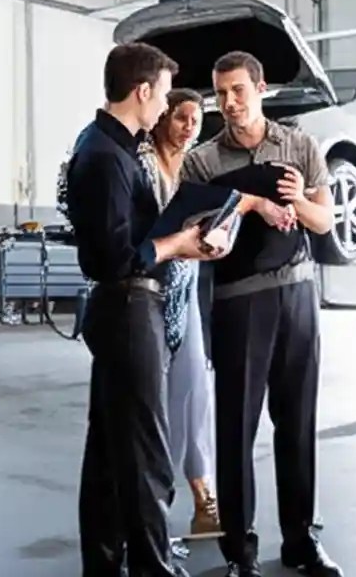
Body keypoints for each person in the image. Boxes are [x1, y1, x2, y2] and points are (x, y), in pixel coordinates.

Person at [65, 43, 232, 577]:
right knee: (146, 452)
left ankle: (107, 564)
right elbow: (114, 257)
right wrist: (175, 246)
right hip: (129, 305)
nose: (165, 108)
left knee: (112, 453)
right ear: (142, 92)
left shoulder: (115, 149)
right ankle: (153, 568)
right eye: (163, 95)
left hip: (131, 306)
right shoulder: (104, 157)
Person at [180, 51, 344, 577]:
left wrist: (299, 201)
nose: (228, 104)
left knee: (297, 423)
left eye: (238, 91)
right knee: (237, 429)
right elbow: (197, 227)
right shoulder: (202, 161)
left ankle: (300, 540)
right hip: (238, 301)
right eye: (220, 93)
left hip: (297, 296)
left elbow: (324, 223)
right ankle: (240, 552)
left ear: (261, 87)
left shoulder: (299, 145)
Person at [137, 88, 222, 540]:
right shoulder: (144, 160)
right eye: (182, 117)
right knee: (155, 406)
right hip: (147, 291)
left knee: (195, 390)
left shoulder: (191, 166)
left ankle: (202, 496)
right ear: (163, 117)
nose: (191, 126)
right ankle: (154, 514)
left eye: (197, 118)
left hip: (185, 287)